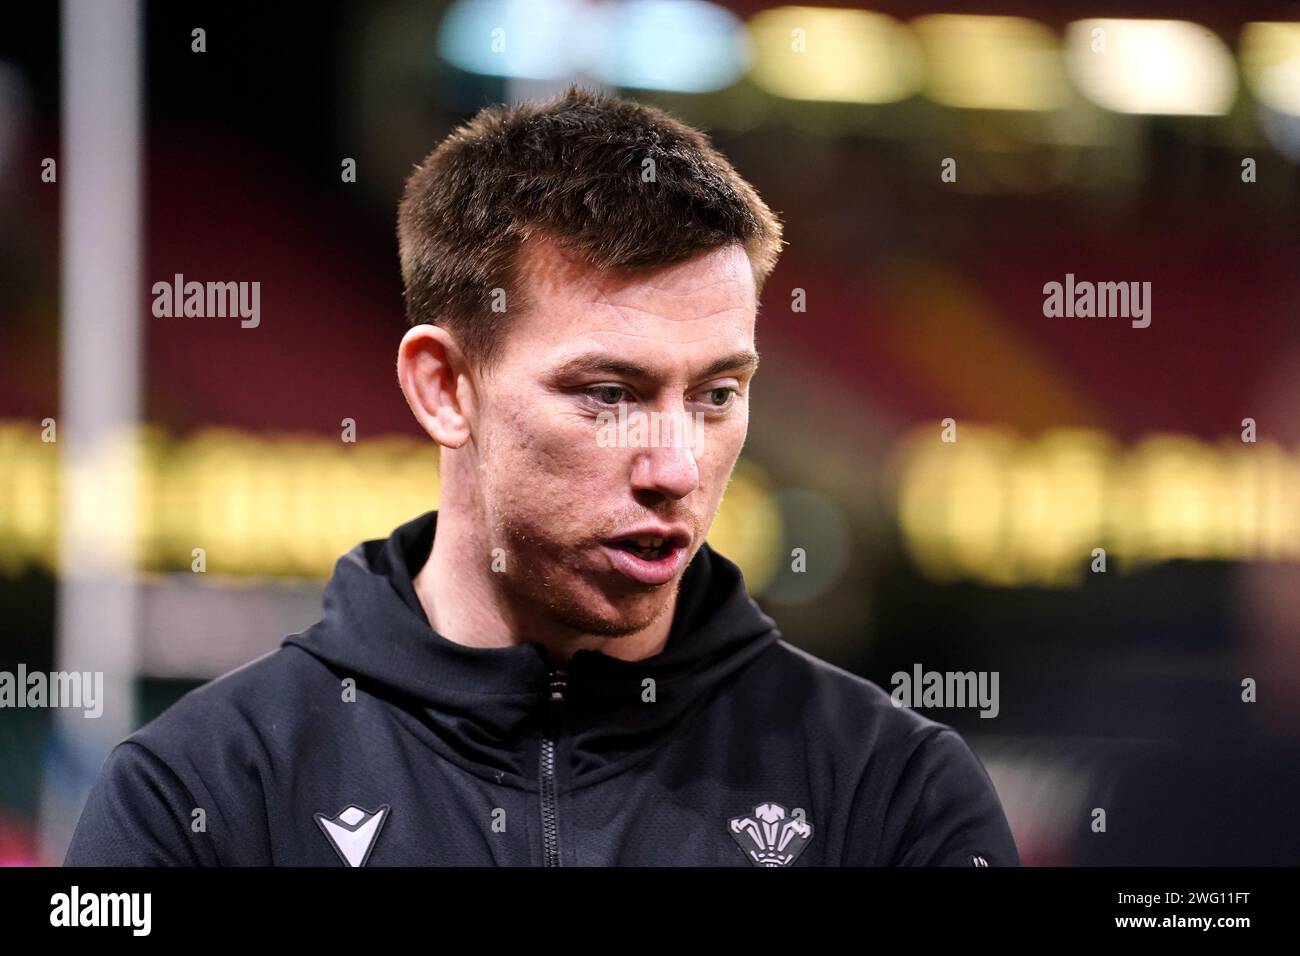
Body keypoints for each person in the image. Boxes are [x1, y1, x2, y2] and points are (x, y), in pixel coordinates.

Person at [65, 87, 1018, 866]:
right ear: (444, 389)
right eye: (607, 393)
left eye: (719, 394)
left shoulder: (892, 792)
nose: (676, 465)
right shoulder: (201, 793)